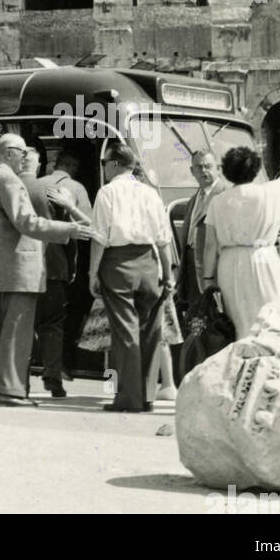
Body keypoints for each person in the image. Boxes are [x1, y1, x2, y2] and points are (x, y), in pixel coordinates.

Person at [0, 134, 91, 408]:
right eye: (22, 154)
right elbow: (26, 222)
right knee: (17, 336)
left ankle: (4, 388)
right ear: (9, 153)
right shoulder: (8, 180)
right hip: (17, 270)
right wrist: (70, 229)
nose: (25, 160)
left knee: (2, 336)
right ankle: (12, 392)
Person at [89, 141, 175, 413]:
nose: (103, 168)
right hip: (150, 265)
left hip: (118, 265)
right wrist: (168, 274)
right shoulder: (151, 194)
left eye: (104, 163)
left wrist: (93, 272)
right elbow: (163, 239)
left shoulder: (107, 192)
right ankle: (147, 395)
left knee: (125, 332)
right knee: (151, 332)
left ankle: (129, 397)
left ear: (114, 163)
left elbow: (100, 237)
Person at [202, 148, 280, 339]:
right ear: (255, 169)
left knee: (240, 322)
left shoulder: (218, 201)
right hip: (264, 258)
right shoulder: (271, 192)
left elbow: (210, 245)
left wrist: (207, 279)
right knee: (273, 318)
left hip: (230, 264)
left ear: (226, 171)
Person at [20, 149, 90, 399]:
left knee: (25, 325)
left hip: (26, 266)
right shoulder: (76, 188)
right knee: (52, 326)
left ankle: (20, 381)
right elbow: (90, 226)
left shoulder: (30, 186)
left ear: (54, 165)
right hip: (56, 267)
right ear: (74, 168)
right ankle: (53, 379)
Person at [132, 157, 182, 403]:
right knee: (159, 330)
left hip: (136, 268)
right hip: (158, 271)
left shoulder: (125, 201)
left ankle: (132, 384)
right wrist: (170, 274)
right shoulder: (155, 201)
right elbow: (165, 242)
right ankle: (167, 383)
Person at [177, 149, 226, 307]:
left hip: (214, 270)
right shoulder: (193, 199)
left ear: (217, 168)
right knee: (196, 317)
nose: (203, 171)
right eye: (198, 167)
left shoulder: (225, 195)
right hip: (192, 266)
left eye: (208, 166)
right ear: (192, 171)